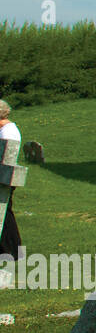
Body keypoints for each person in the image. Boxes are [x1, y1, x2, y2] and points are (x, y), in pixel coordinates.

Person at [0, 99, 20, 260]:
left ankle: (10, 251)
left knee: (5, 214)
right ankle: (10, 251)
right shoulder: (7, 130)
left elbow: (5, 158)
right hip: (4, 176)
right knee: (5, 214)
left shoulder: (7, 132)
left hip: (4, 177)